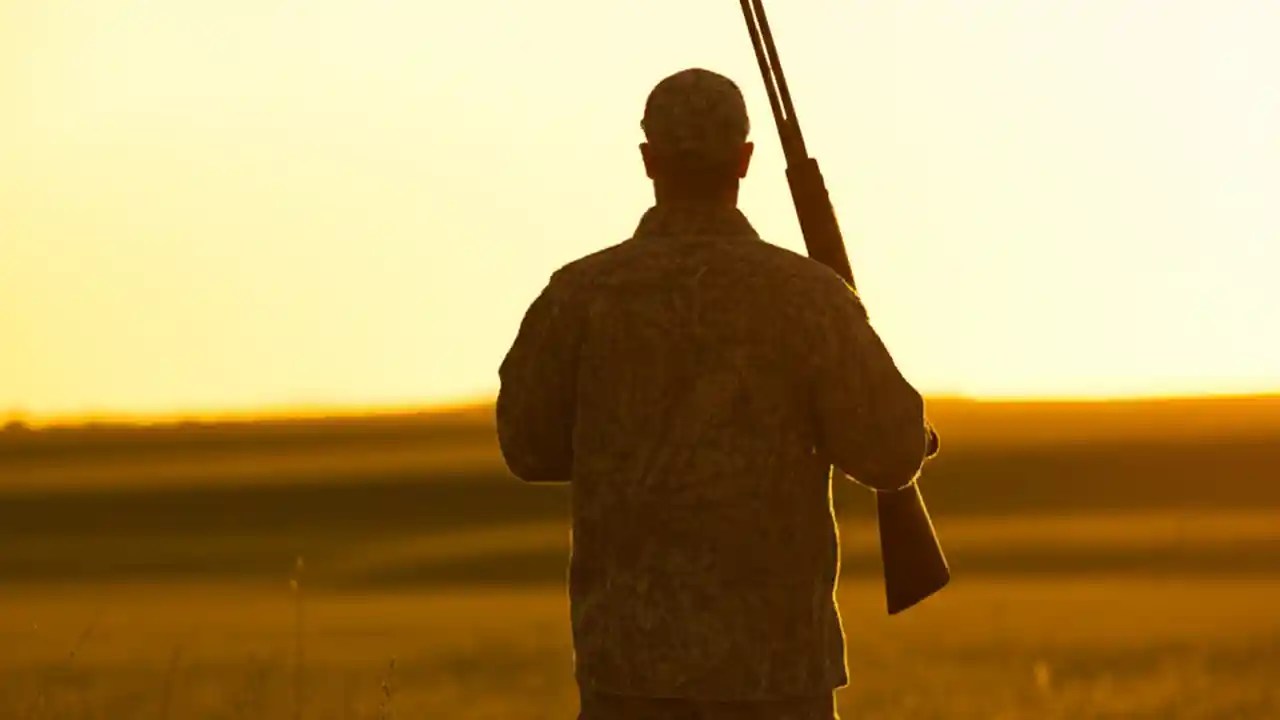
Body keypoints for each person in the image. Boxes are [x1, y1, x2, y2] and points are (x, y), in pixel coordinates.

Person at [496, 67, 939, 720]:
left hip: (628, 672)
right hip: (776, 673)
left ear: (649, 161)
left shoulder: (580, 295)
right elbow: (889, 452)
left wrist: (628, 444)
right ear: (745, 160)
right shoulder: (808, 298)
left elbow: (526, 447)